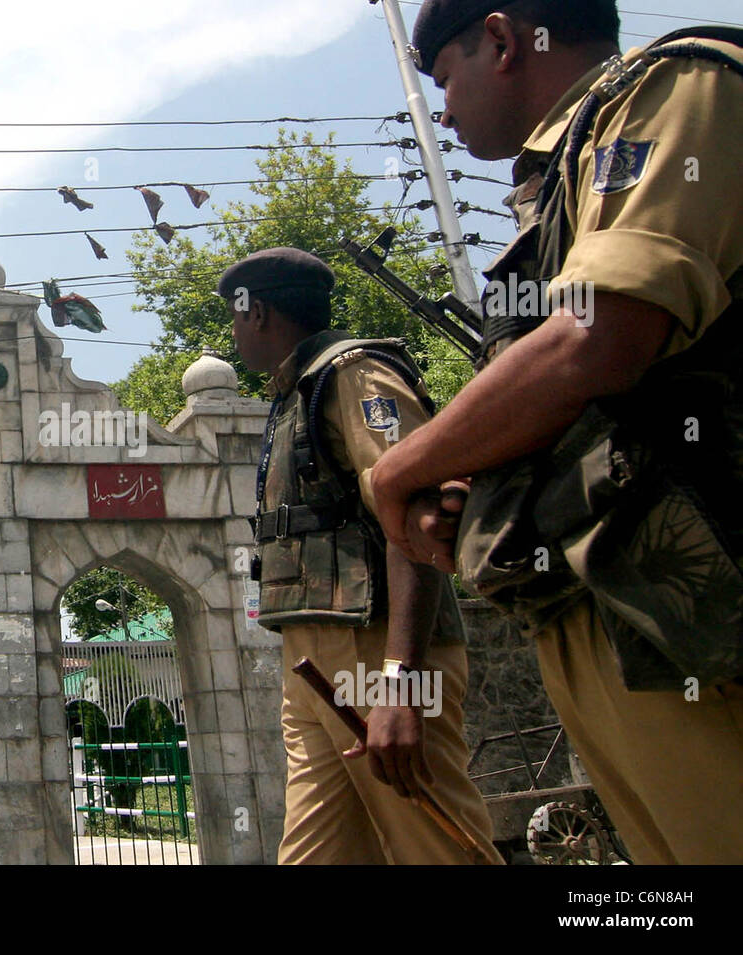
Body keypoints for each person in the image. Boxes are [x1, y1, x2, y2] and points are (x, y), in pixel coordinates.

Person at [367, 0, 743, 863]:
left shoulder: (681, 85)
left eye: (443, 79)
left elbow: (600, 334)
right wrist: (475, 485)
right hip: (611, 612)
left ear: (500, 40)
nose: (445, 110)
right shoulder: (569, 171)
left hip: (694, 613)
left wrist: (396, 475)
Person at [224, 246, 500, 864]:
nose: (235, 335)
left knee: (436, 844)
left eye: (236, 318)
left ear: (259, 312)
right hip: (312, 657)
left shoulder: (354, 376)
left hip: (376, 649)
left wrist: (400, 684)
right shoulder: (295, 391)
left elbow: (415, 519)